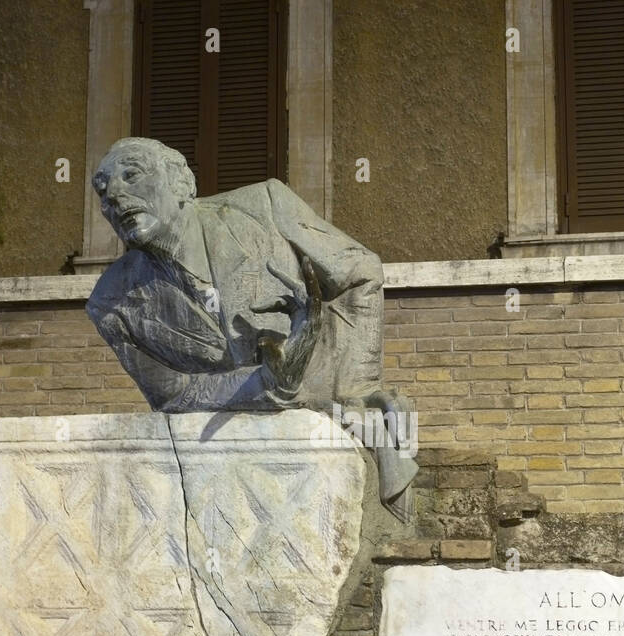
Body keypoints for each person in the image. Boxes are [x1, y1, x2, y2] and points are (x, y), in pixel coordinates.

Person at [86, 137, 417, 516]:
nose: (113, 195)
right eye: (102, 189)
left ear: (182, 184)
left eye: (131, 175)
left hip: (309, 424)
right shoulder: (110, 302)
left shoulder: (266, 206)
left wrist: (355, 387)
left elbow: (359, 275)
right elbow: (172, 394)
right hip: (221, 464)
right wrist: (268, 382)